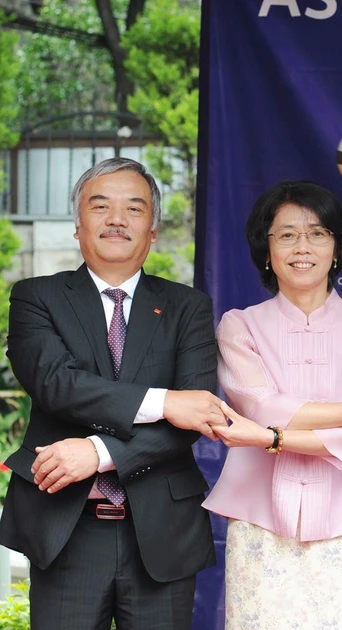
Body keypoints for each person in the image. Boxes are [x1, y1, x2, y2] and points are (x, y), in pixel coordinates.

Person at [0, 157, 226, 629]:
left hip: (161, 531)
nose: (116, 219)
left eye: (134, 209)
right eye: (100, 206)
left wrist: (98, 452)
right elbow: (56, 383)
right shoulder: (35, 297)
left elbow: (196, 418)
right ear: (78, 226)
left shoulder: (189, 308)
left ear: (154, 231)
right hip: (66, 527)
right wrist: (166, 402)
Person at [201, 181, 342, 629]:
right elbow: (262, 407)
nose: (301, 246)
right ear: (266, 251)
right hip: (258, 519)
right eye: (286, 234)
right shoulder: (238, 326)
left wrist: (270, 438)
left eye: (317, 233)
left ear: (337, 249)